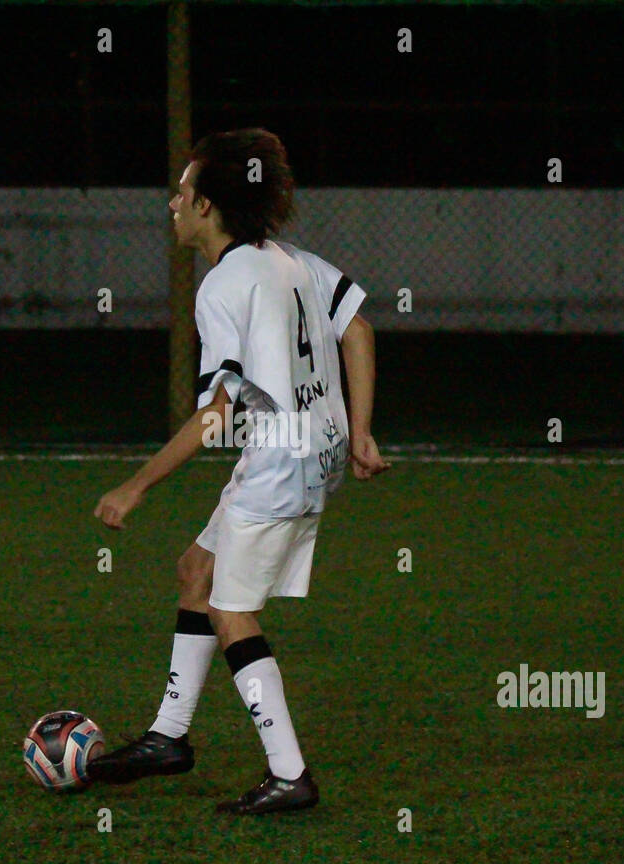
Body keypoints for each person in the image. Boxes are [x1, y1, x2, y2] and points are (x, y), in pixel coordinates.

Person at [91, 128, 389, 814]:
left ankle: (289, 774)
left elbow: (215, 415)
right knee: (198, 569)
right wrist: (361, 432)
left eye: (183, 192)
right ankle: (169, 737)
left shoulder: (224, 287)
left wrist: (135, 485)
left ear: (208, 207)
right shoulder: (288, 259)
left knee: (232, 610)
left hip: (281, 461)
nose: (172, 203)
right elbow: (360, 330)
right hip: (308, 450)